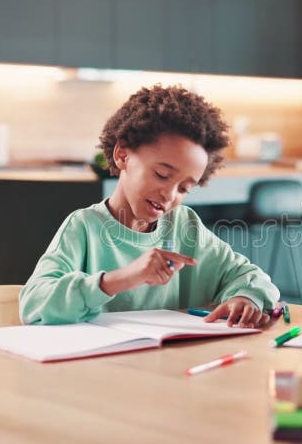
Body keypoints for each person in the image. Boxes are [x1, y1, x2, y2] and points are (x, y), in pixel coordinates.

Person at [20, 85, 279, 328]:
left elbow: (251, 278)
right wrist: (121, 279)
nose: (169, 195)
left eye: (184, 188)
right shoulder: (84, 227)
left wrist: (245, 298)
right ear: (122, 155)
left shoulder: (184, 225)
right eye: (162, 175)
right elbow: (34, 304)